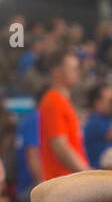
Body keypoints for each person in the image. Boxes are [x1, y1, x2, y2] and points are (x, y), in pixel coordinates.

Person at [37, 51, 90, 181]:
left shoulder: (62, 101)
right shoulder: (54, 101)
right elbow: (60, 146)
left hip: (69, 180)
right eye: (72, 68)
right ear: (56, 72)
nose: (77, 72)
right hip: (63, 182)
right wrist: (88, 173)